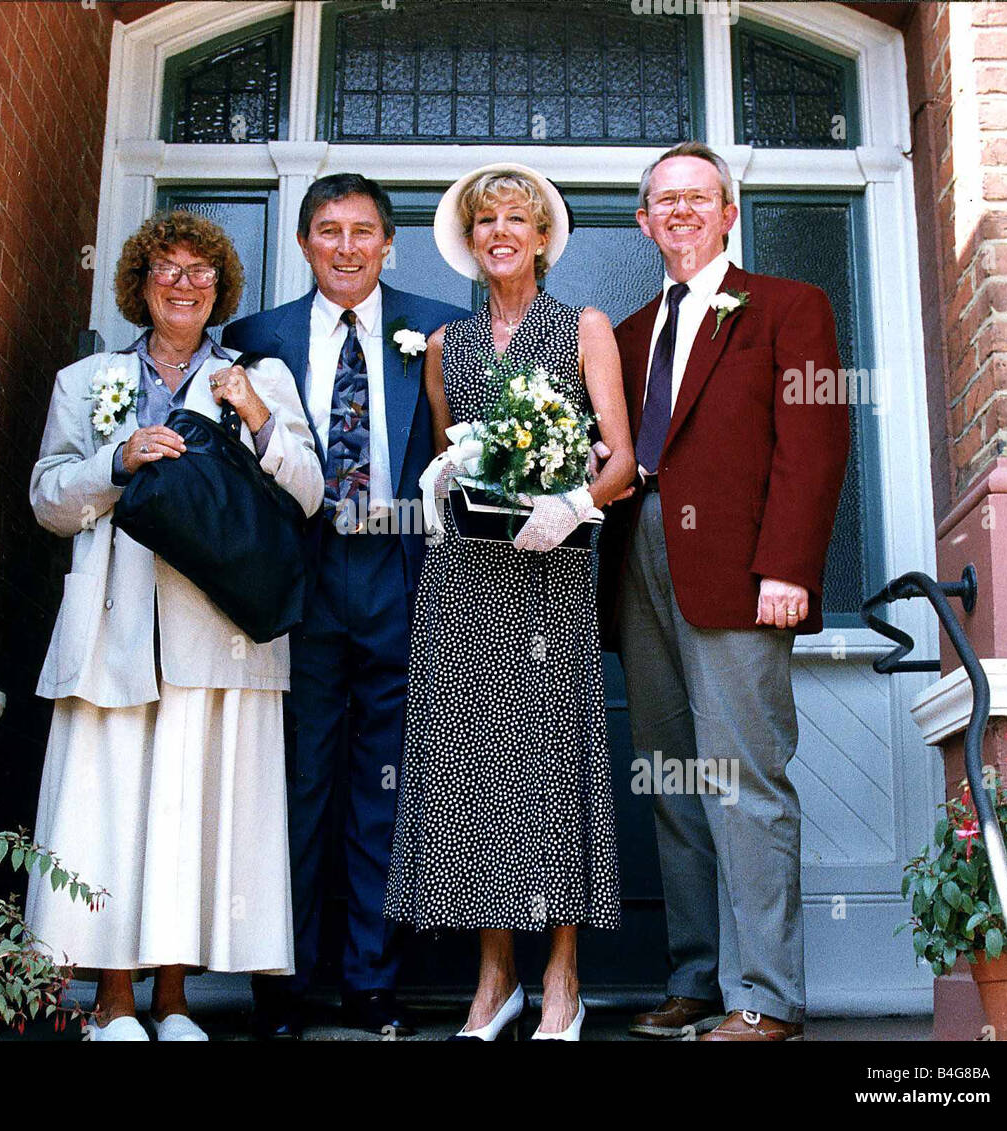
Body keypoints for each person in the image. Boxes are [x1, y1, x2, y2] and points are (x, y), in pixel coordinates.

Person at [26, 211, 323, 1041]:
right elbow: (48, 501)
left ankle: (175, 998)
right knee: (112, 806)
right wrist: (117, 461)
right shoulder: (86, 382)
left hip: (215, 626)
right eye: (167, 268)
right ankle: (113, 999)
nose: (184, 282)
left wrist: (258, 416)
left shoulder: (255, 374)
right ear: (140, 283)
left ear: (219, 287)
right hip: (112, 624)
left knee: (192, 809)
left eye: (200, 271)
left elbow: (305, 493)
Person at [383, 163, 637, 1041]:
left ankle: (562, 975)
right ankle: (495, 980)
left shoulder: (584, 328)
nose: (499, 231)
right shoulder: (447, 344)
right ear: (470, 238)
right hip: (467, 580)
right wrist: (444, 478)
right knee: (475, 772)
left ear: (541, 237)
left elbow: (624, 461)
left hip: (551, 575)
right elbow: (456, 445)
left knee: (550, 767)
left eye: (515, 219)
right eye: (484, 219)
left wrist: (573, 502)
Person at [613, 142, 850, 1042]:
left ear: (727, 213)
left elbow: (816, 441)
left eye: (697, 198)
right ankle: (697, 979)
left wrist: (788, 566)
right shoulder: (632, 332)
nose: (679, 212)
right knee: (676, 780)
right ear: (643, 221)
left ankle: (766, 997)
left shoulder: (791, 307)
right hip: (639, 570)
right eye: (662, 201)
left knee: (746, 781)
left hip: (742, 572)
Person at [223, 174, 469, 1038]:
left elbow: (459, 457)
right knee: (295, 786)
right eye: (328, 230)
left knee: (383, 791)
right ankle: (281, 982)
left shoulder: (439, 327)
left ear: (388, 242)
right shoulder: (255, 337)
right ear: (302, 243)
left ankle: (371, 980)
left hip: (401, 578)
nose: (346, 246)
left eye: (363, 230)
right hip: (300, 581)